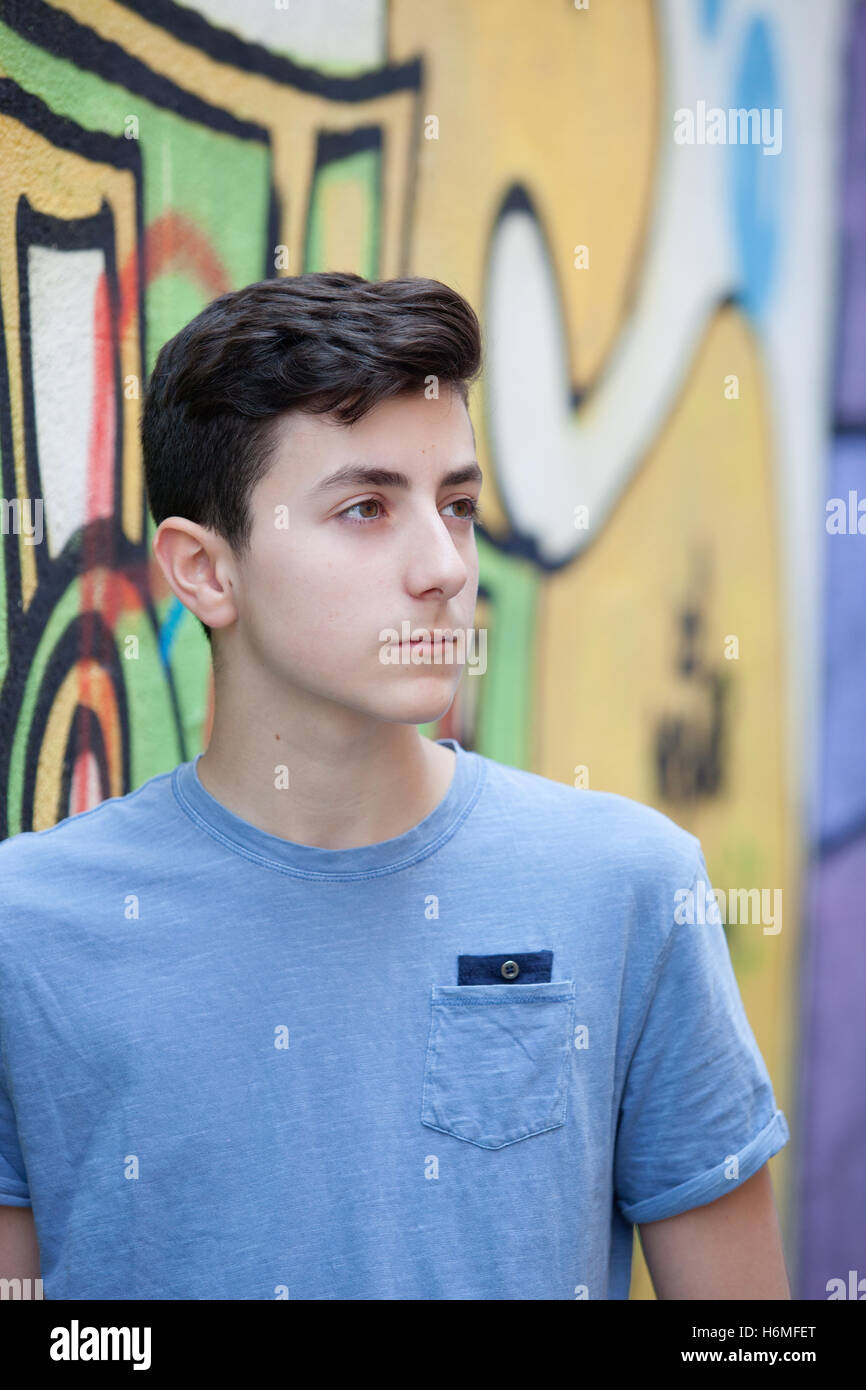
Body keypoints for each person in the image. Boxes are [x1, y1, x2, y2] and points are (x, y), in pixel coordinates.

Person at [0, 272, 790, 1300]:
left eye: (456, 505)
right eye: (366, 507)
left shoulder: (627, 885)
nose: (443, 566)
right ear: (204, 571)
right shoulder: (29, 927)